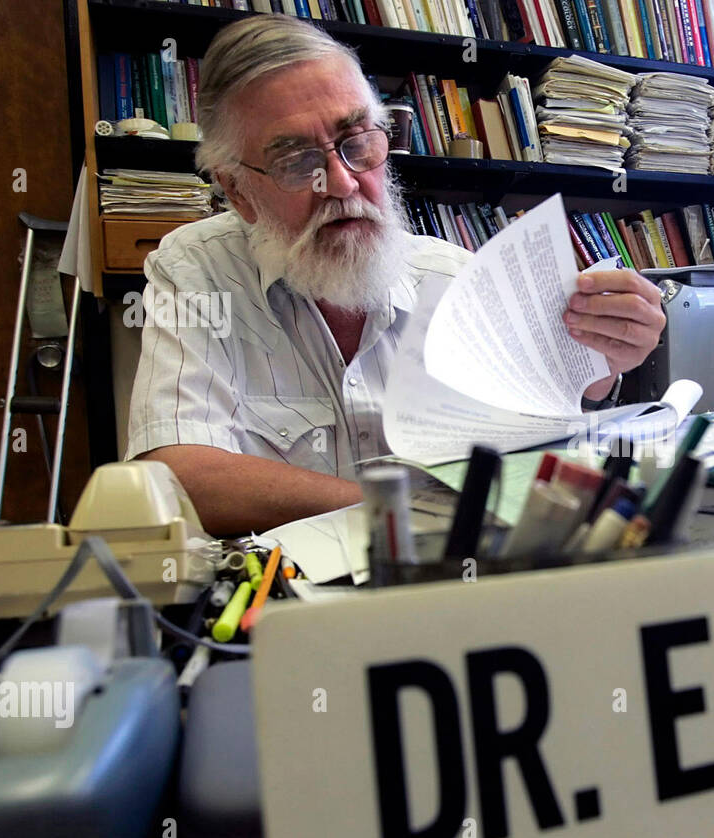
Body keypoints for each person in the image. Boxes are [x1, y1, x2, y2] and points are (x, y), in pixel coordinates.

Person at [126, 14, 665, 537]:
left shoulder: (456, 276)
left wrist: (599, 361)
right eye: (296, 162)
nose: (341, 183)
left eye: (357, 141)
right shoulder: (195, 270)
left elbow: (544, 437)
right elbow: (179, 474)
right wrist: (402, 513)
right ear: (239, 191)